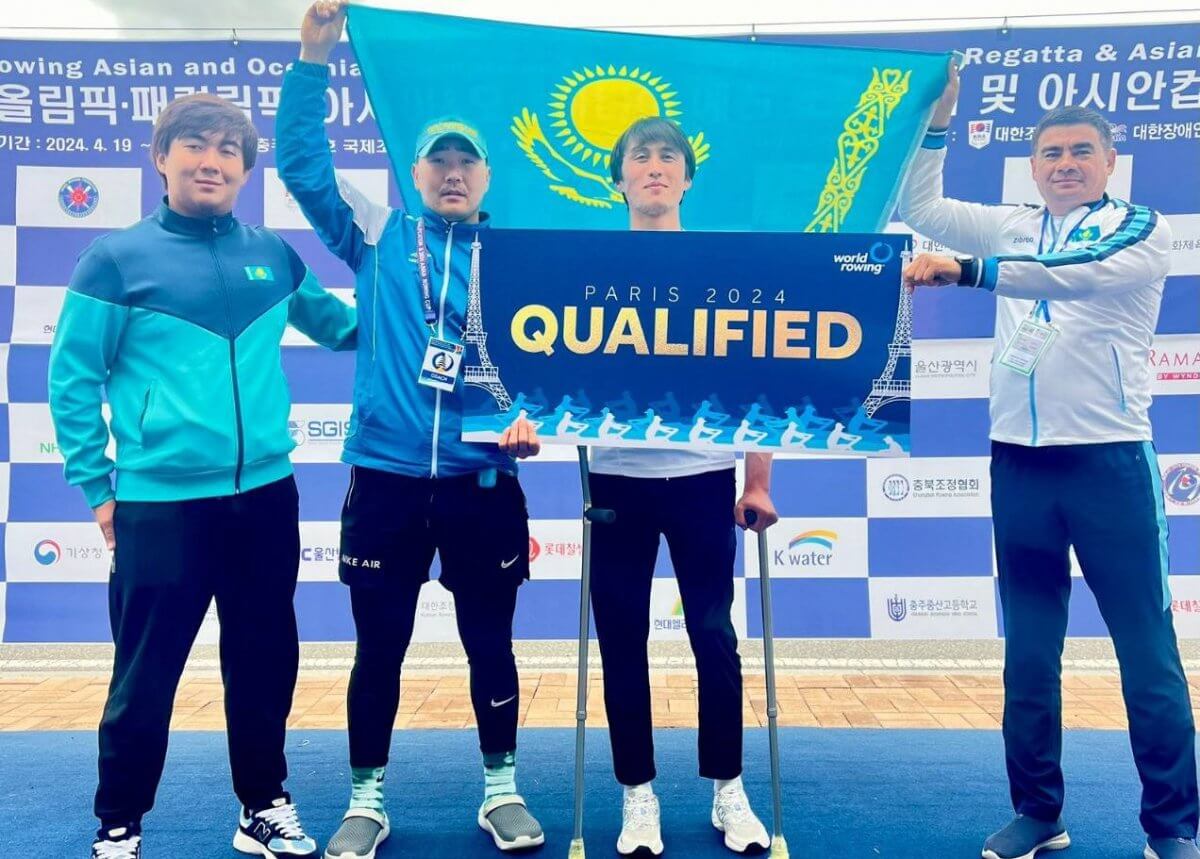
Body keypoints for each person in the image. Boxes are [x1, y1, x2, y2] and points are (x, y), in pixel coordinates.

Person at [900, 62, 1197, 859]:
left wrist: (967, 270)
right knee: (1030, 656)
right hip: (1020, 468)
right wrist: (938, 123)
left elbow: (1075, 275)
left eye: (1080, 151)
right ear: (1032, 167)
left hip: (1109, 467)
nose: (1065, 164)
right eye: (1052, 154)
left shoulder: (1142, 228)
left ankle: (1172, 823)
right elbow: (920, 209)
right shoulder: (1014, 226)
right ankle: (1038, 811)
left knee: (1147, 652)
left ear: (1109, 162)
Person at [49, 92, 357, 859]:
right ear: (162, 157)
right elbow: (72, 379)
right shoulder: (115, 259)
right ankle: (119, 823)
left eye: (227, 149)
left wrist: (422, 304)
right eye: (194, 144)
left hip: (265, 499)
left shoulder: (272, 254)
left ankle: (263, 806)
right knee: (145, 676)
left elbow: (342, 328)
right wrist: (98, 488)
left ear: (246, 169)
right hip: (160, 506)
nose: (210, 160)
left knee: (263, 663)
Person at [277, 3, 543, 857]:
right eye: (439, 161)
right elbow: (301, 166)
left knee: (490, 643)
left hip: (483, 482)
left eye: (467, 162)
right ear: (415, 172)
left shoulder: (523, 259)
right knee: (379, 647)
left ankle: (501, 789)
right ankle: (366, 799)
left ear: (488, 176)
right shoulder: (381, 233)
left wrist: (538, 419)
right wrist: (313, 56)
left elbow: (560, 363)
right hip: (386, 478)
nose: (453, 173)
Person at [589, 117, 778, 856]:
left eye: (668, 155)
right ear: (619, 180)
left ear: (687, 178)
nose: (654, 166)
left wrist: (757, 480)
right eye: (639, 156)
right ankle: (637, 794)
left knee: (713, 634)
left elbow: (757, 372)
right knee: (621, 640)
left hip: (703, 477)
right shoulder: (588, 266)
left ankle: (728, 787)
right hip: (617, 480)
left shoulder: (720, 264)